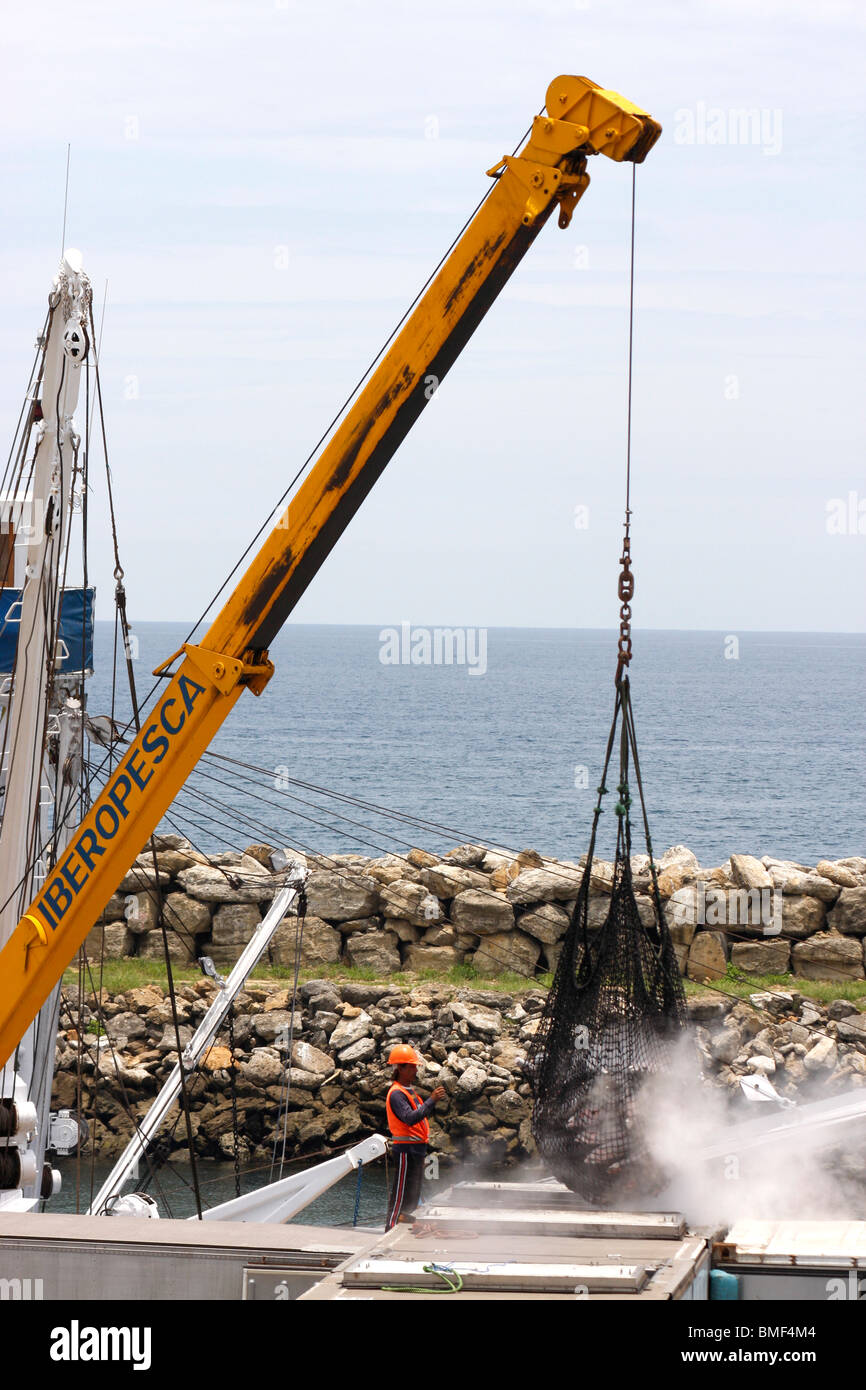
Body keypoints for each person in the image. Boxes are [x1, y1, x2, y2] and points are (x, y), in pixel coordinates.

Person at [384, 1044, 445, 1229]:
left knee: (413, 1192)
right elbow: (410, 1118)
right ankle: (391, 1226)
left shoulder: (409, 1091)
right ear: (400, 1068)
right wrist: (432, 1100)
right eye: (411, 1067)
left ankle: (405, 1223)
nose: (415, 1070)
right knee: (401, 1192)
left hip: (417, 1149)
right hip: (405, 1149)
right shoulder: (396, 1094)